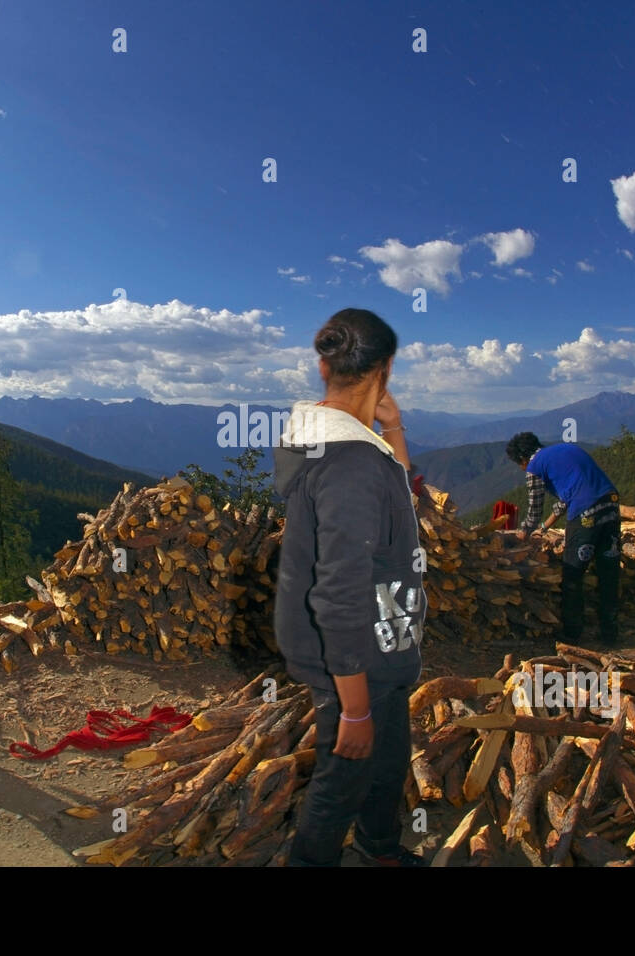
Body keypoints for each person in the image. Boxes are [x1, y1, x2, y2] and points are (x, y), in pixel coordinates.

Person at [274, 308, 425, 867]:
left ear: (323, 366)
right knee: (341, 782)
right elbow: (338, 593)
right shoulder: (352, 463)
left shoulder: (330, 440)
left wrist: (393, 426)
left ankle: (378, 850)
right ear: (385, 367)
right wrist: (354, 708)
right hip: (355, 658)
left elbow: (398, 503)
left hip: (382, 649)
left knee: (387, 764)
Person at [506, 431, 620, 645]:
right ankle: (610, 634)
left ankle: (572, 633)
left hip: (586, 513)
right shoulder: (564, 451)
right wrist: (545, 527)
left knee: (573, 572)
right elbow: (567, 497)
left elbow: (534, 509)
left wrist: (523, 533)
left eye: (519, 464)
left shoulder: (534, 466)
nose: (522, 469)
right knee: (609, 570)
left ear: (522, 459)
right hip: (611, 504)